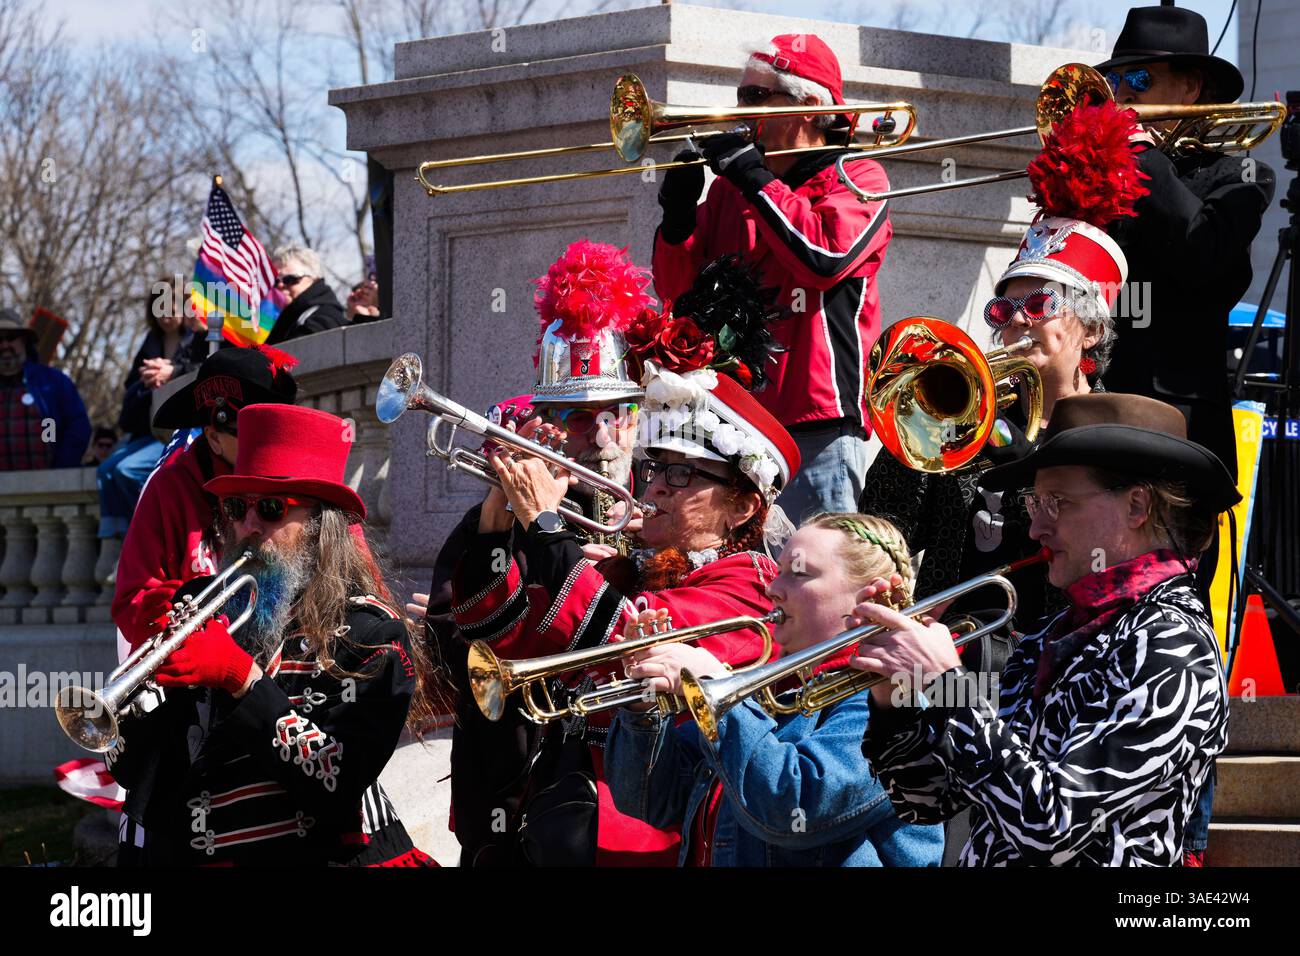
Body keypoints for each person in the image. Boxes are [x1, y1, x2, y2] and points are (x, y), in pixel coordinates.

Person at [856, 393, 1235, 866]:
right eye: (1035, 503)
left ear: (1137, 505)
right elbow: (927, 801)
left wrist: (948, 686)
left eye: (1057, 503)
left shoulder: (1171, 644)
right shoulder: (1050, 632)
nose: (1035, 528)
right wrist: (896, 699)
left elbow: (1051, 827)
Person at [450, 363, 800, 865]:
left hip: (644, 826)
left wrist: (547, 525)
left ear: (742, 507)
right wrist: (497, 512)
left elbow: (628, 638)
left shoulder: (753, 583)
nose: (654, 486)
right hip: (561, 802)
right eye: (655, 468)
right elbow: (494, 633)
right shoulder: (625, 570)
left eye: (681, 474)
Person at [107, 404, 435, 866]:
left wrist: (241, 679)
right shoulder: (201, 600)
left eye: (272, 508)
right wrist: (146, 698)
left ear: (322, 524)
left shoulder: (371, 634)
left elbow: (335, 779)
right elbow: (130, 767)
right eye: (237, 508)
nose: (249, 526)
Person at [861, 100, 1139, 632]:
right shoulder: (970, 415)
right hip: (955, 658)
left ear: (1093, 329)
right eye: (1003, 311)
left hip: (1066, 656)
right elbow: (883, 528)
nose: (1017, 323)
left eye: (1039, 306)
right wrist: (917, 426)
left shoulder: (1120, 432)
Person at [417, 241, 648, 866]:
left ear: (636, 417)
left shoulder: (664, 515)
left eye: (614, 415)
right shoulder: (488, 519)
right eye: (576, 417)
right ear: (543, 422)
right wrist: (507, 525)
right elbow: (447, 650)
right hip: (511, 774)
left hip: (623, 793)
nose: (598, 438)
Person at [604, 513, 944, 866]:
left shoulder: (889, 704)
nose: (773, 588)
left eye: (800, 573)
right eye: (779, 571)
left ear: (870, 595)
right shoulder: (770, 691)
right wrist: (644, 699)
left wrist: (713, 686)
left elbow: (795, 808)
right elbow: (649, 802)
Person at [652, 33, 893, 522]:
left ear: (807, 106)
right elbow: (680, 296)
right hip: (731, 420)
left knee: (819, 582)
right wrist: (676, 222)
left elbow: (822, 258)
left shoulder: (858, 178)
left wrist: (753, 177)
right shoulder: (730, 191)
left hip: (816, 426)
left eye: (756, 97)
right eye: (742, 95)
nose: (740, 109)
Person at [1097, 4, 1276, 481]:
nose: (1120, 97)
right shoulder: (1109, 172)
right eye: (1114, 83)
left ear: (1191, 87)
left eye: (1138, 80)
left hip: (1179, 416)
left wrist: (1141, 155)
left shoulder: (1242, 176)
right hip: (1094, 402)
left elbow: (1201, 253)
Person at [112, 345, 299, 648]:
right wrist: (188, 616)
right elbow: (133, 601)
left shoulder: (304, 477)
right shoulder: (169, 488)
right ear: (213, 437)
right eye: (253, 434)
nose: (270, 445)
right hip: (200, 667)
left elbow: (349, 572)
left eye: (274, 431)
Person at [96, 282, 206, 538]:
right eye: (159, 308)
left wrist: (172, 372)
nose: (166, 315)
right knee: (105, 471)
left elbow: (206, 370)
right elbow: (130, 384)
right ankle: (119, 535)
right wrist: (148, 378)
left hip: (176, 428)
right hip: (146, 427)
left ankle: (151, 525)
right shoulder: (151, 340)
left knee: (126, 469)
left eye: (172, 307)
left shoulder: (197, 336)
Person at [0, 307, 90, 470]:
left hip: (48, 485)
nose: (4, 345)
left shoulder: (52, 382)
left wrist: (60, 469)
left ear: (24, 342)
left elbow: (77, 426)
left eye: (11, 338)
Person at [265, 244, 347, 344]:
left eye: (290, 279)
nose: (280, 285)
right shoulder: (274, 319)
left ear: (314, 278)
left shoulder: (325, 318)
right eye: (275, 281)